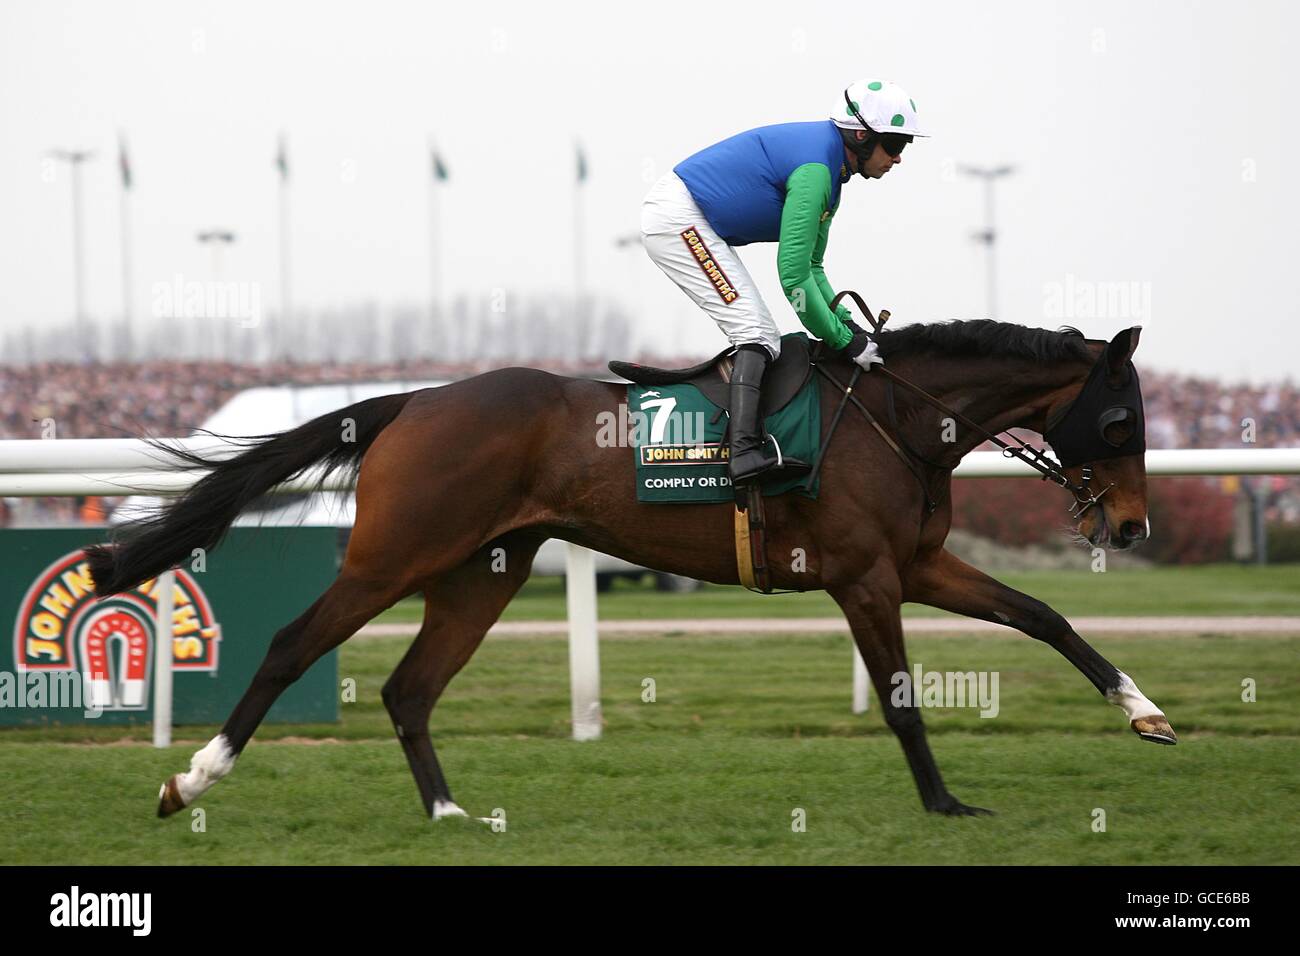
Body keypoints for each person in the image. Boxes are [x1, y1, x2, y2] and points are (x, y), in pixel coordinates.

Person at [641, 78, 927, 486]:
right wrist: (844, 343)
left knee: (762, 334)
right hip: (677, 220)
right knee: (757, 333)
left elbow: (813, 267)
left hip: (695, 221)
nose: (898, 158)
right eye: (895, 144)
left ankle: (745, 445)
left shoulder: (833, 174)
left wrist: (849, 326)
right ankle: (742, 454)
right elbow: (792, 277)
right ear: (861, 135)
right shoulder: (815, 172)